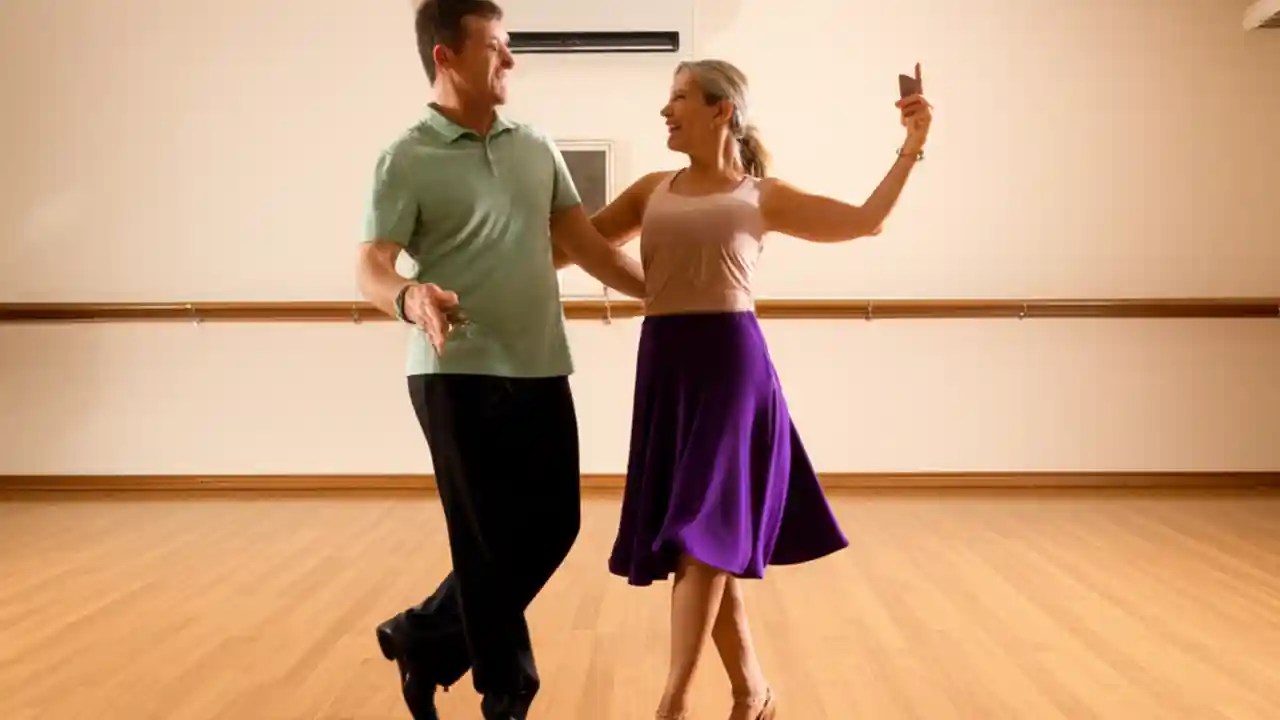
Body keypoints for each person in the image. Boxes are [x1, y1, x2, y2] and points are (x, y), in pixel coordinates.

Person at [582, 59, 933, 719]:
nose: (666, 110)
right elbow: (575, 244)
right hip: (665, 367)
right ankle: (753, 694)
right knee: (704, 544)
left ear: (722, 110)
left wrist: (913, 145)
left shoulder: (759, 196)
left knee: (699, 534)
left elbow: (864, 220)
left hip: (732, 370)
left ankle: (673, 703)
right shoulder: (649, 189)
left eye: (680, 97)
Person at [354, 1, 646, 719]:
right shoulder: (405, 157)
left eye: (508, 46)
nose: (511, 60)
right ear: (445, 58)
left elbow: (587, 247)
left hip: (541, 362)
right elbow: (371, 265)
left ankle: (422, 634)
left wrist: (676, 295)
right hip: (452, 371)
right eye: (495, 47)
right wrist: (410, 296)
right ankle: (506, 690)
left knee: (555, 525)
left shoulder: (535, 147)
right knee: (484, 536)